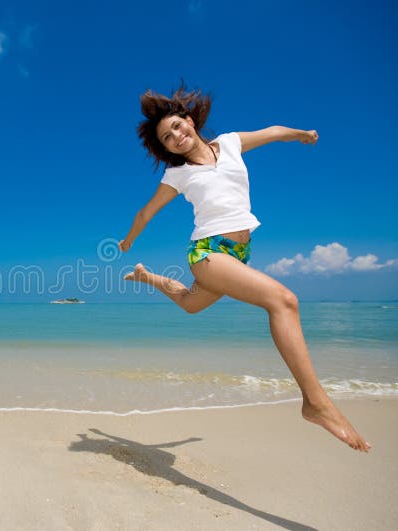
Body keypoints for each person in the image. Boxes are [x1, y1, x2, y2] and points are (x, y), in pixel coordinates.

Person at [119, 82, 371, 452]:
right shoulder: (178, 175)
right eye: (166, 137)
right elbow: (147, 211)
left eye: (177, 126)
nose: (175, 136)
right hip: (207, 252)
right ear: (165, 148)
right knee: (283, 300)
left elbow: (271, 132)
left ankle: (146, 276)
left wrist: (300, 134)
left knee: (190, 304)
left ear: (189, 120)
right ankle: (316, 403)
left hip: (238, 254)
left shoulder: (232, 143)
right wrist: (128, 240)